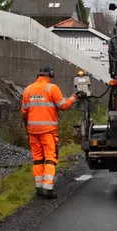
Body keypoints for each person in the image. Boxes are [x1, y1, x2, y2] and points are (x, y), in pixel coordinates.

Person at [21, 64, 79, 199]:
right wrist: (74, 98)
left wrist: (28, 125)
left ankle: (39, 187)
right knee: (50, 159)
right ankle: (48, 187)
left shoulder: (28, 90)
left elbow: (24, 111)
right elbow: (63, 106)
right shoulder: (52, 88)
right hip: (48, 131)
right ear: (50, 75)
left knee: (37, 159)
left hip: (32, 131)